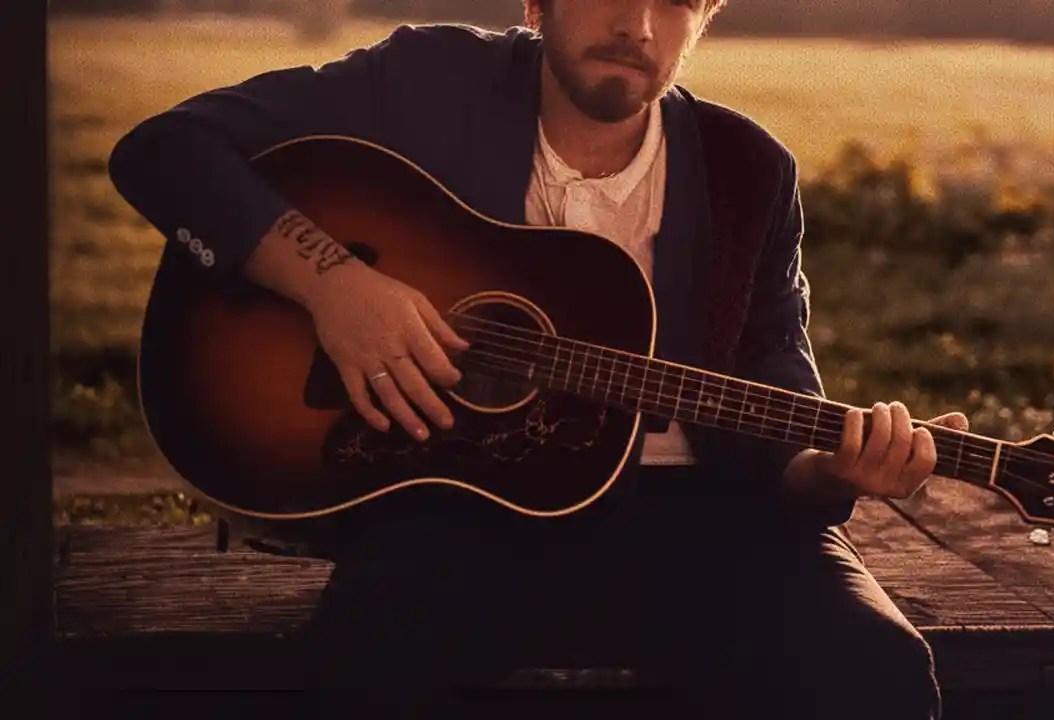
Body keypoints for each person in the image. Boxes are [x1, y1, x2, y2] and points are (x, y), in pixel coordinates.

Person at [109, 0, 969, 716]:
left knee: (874, 671)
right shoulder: (427, 82)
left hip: (700, 515)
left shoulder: (749, 168)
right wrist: (335, 285)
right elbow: (163, 152)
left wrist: (827, 470)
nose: (636, 22)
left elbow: (774, 389)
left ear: (704, 17)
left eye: (673, 0)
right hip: (461, 509)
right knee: (372, 657)